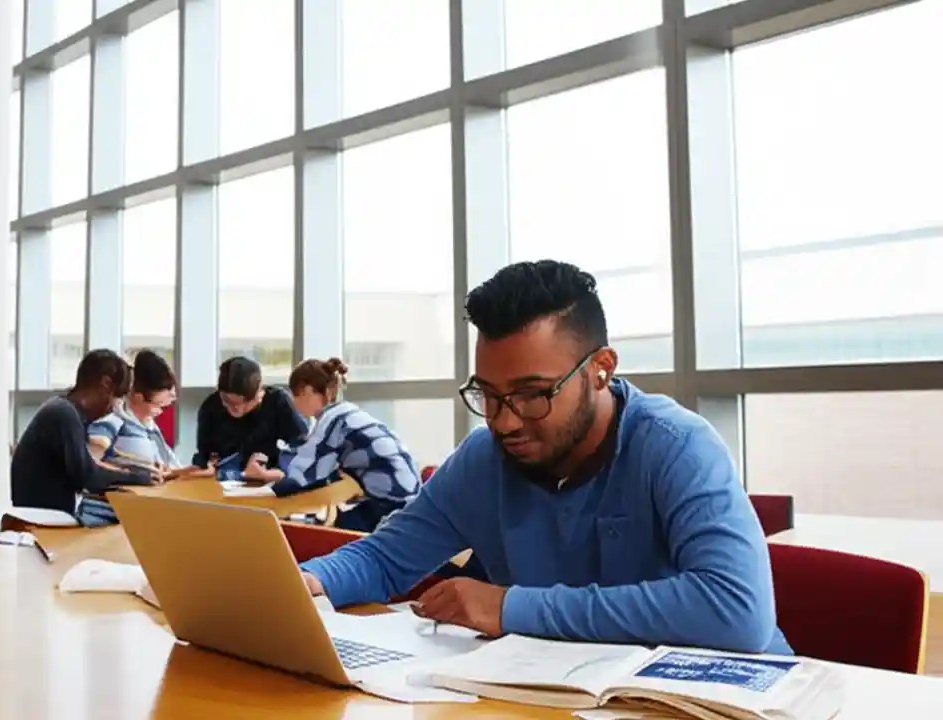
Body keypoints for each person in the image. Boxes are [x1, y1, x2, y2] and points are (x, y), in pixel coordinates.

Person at [298, 260, 790, 655]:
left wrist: (511, 608)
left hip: (721, 699)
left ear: (600, 369)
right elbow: (385, 558)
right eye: (487, 394)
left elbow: (737, 612)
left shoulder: (676, 446)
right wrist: (309, 583)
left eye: (532, 394)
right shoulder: (485, 458)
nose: (505, 421)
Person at [242, 357, 421, 532]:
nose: (294, 403)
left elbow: (302, 475)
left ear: (307, 390)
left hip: (391, 506)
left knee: (330, 532)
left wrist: (266, 478)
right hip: (410, 497)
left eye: (295, 395)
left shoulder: (332, 421)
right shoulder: (348, 413)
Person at [10, 349, 157, 515]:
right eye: (118, 397)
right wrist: (139, 477)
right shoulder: (64, 415)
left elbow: (87, 467)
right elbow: (88, 476)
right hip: (44, 518)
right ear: (106, 383)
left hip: (45, 512)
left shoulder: (64, 409)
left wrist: (131, 472)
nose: (114, 408)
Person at [193, 356, 309, 471]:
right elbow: (203, 453)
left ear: (258, 394)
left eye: (242, 403)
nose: (236, 409)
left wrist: (278, 471)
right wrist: (206, 464)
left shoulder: (277, 401)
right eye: (227, 401)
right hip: (224, 478)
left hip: (268, 476)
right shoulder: (211, 407)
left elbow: (302, 445)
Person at [87, 349, 182, 470]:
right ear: (139, 398)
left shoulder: (150, 426)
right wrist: (127, 474)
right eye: (157, 405)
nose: (161, 412)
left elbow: (170, 463)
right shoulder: (113, 422)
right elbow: (89, 464)